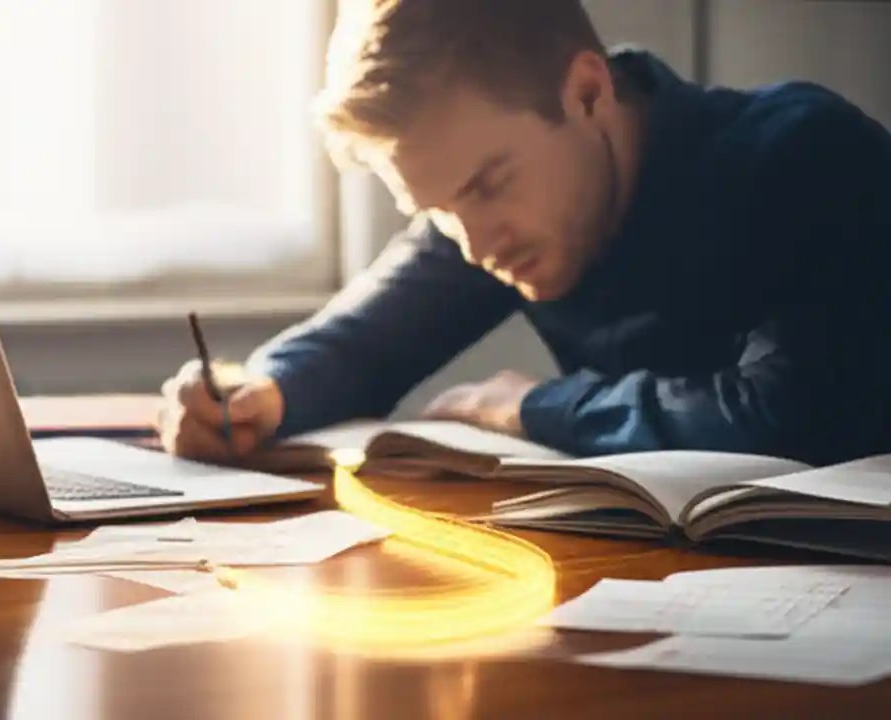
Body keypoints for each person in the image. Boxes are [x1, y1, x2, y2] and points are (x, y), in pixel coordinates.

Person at [157, 0, 891, 467]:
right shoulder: (491, 214)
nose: (473, 242)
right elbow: (360, 343)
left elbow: (800, 413)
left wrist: (532, 406)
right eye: (437, 209)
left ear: (587, 92)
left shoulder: (804, 153)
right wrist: (257, 394)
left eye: (484, 185)